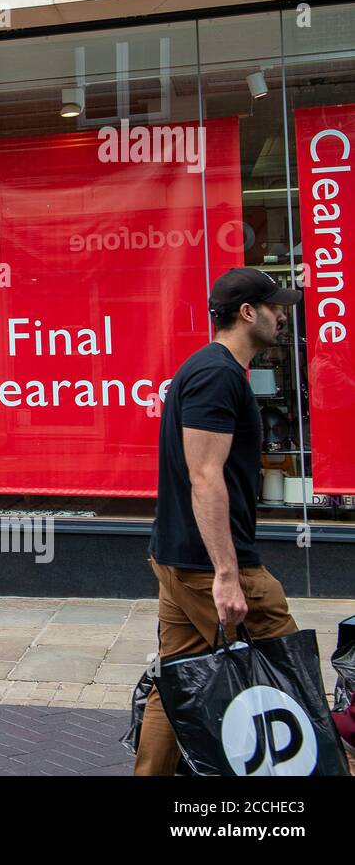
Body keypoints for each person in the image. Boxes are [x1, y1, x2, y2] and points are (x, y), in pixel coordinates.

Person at [134, 268, 304, 775]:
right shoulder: (217, 373)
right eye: (275, 306)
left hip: (181, 557)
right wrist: (228, 575)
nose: (282, 315)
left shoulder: (213, 369)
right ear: (247, 312)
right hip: (210, 565)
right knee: (289, 673)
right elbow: (205, 476)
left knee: (179, 677)